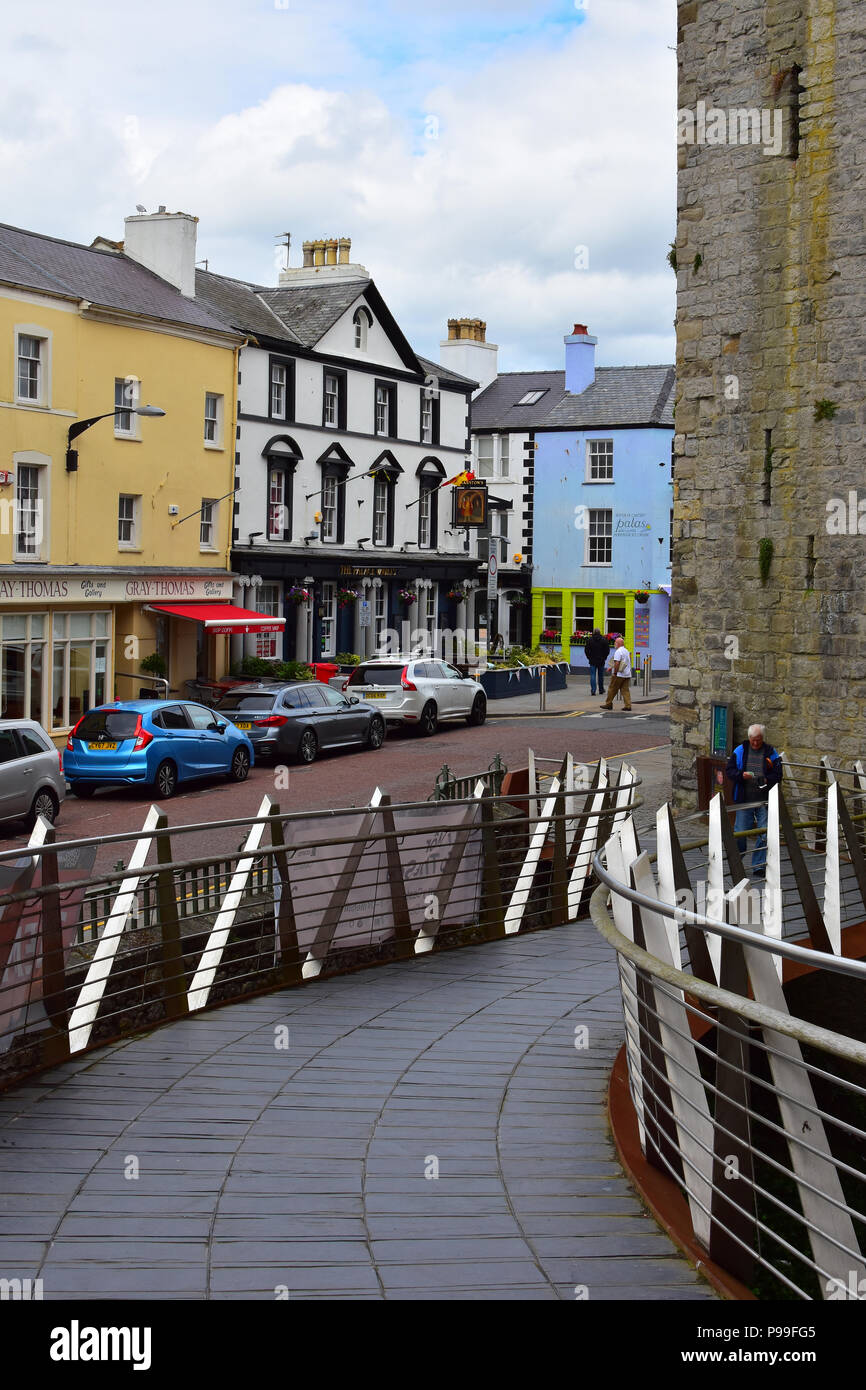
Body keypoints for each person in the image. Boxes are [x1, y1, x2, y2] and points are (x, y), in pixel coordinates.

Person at [725, 724, 783, 878]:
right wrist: (740, 775)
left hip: (764, 800)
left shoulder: (771, 752)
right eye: (753, 740)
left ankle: (758, 865)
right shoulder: (740, 750)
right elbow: (729, 770)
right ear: (749, 738)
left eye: (758, 740)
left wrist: (765, 779)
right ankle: (737, 862)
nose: (756, 743)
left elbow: (778, 774)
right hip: (745, 799)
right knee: (740, 833)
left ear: (762, 738)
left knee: (764, 833)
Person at [600, 636, 632, 711]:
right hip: (627, 674)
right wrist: (611, 667)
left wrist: (615, 672)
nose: (614, 644)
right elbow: (623, 662)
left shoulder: (618, 651)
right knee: (625, 690)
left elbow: (617, 663)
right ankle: (628, 705)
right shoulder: (626, 651)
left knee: (612, 689)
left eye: (615, 642)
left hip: (619, 674)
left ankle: (608, 704)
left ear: (618, 643)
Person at [584, 628, 610, 696]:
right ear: (600, 632)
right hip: (601, 660)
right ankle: (601, 690)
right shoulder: (604, 640)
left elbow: (586, 650)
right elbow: (607, 650)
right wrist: (604, 658)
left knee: (593, 675)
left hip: (592, 660)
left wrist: (589, 658)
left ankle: (593, 690)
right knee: (600, 676)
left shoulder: (589, 640)